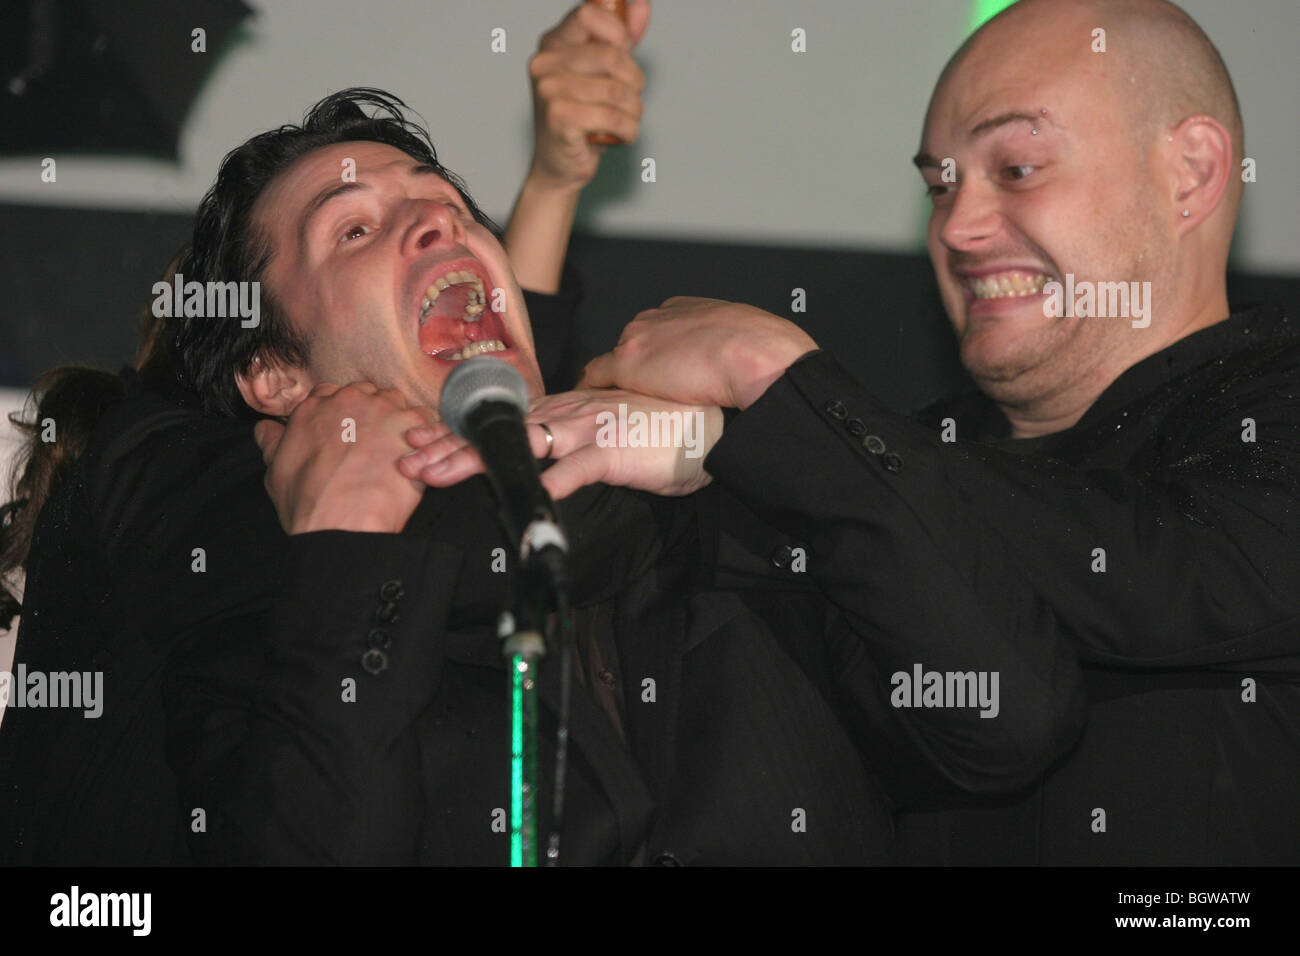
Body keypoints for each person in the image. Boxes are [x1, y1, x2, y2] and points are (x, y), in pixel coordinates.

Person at [0, 8, 1083, 866]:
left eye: (445, 203)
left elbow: (1010, 716)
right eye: (355, 229)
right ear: (275, 377)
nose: (438, 220)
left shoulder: (715, 512)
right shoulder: (276, 586)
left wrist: (773, 379)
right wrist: (350, 558)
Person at [406, 0, 1297, 864]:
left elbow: (1171, 574)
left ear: (1191, 173)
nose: (959, 225)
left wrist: (771, 384)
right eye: (938, 185)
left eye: (1017, 168)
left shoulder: (1270, 407)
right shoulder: (863, 458)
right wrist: (555, 189)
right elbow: (560, 527)